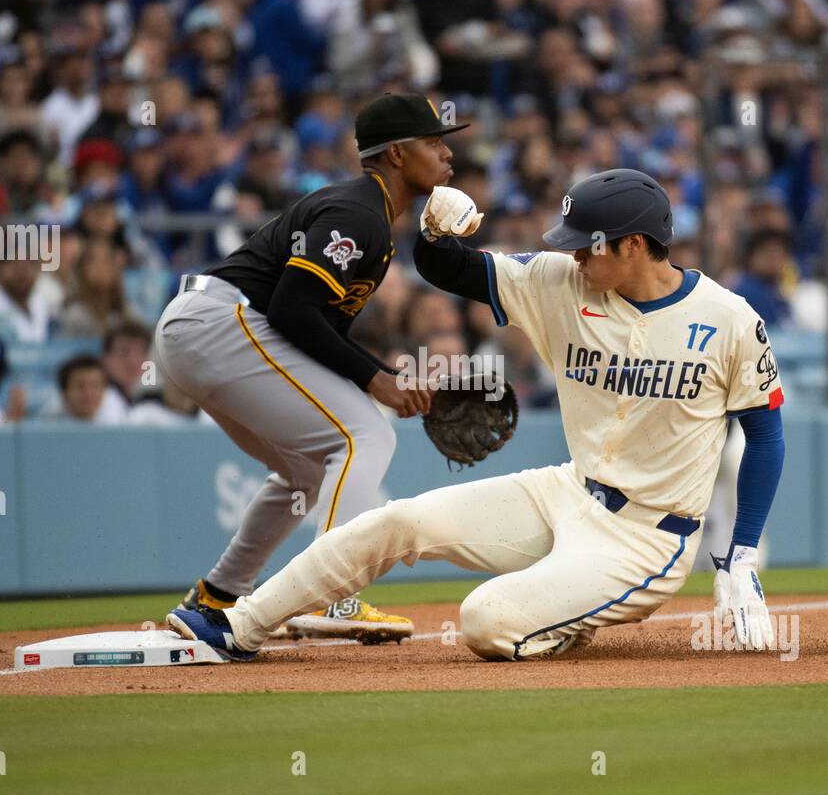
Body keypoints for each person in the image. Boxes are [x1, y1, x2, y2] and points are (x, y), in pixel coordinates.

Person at [168, 169, 785, 662]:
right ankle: (237, 626)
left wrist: (743, 553)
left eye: (584, 248)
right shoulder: (558, 283)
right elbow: (450, 270)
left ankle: (559, 620)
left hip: (646, 539)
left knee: (485, 622)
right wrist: (435, 236)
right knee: (395, 521)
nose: (570, 257)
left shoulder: (730, 319)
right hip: (568, 490)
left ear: (631, 245)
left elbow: (765, 435)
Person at [154, 94, 467, 643]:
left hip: (206, 332)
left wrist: (382, 374)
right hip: (223, 322)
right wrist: (377, 382)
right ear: (396, 154)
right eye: (434, 142)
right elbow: (292, 310)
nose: (447, 155)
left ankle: (215, 599)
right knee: (364, 436)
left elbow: (316, 331)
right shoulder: (358, 213)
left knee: (305, 470)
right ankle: (335, 597)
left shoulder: (373, 217)